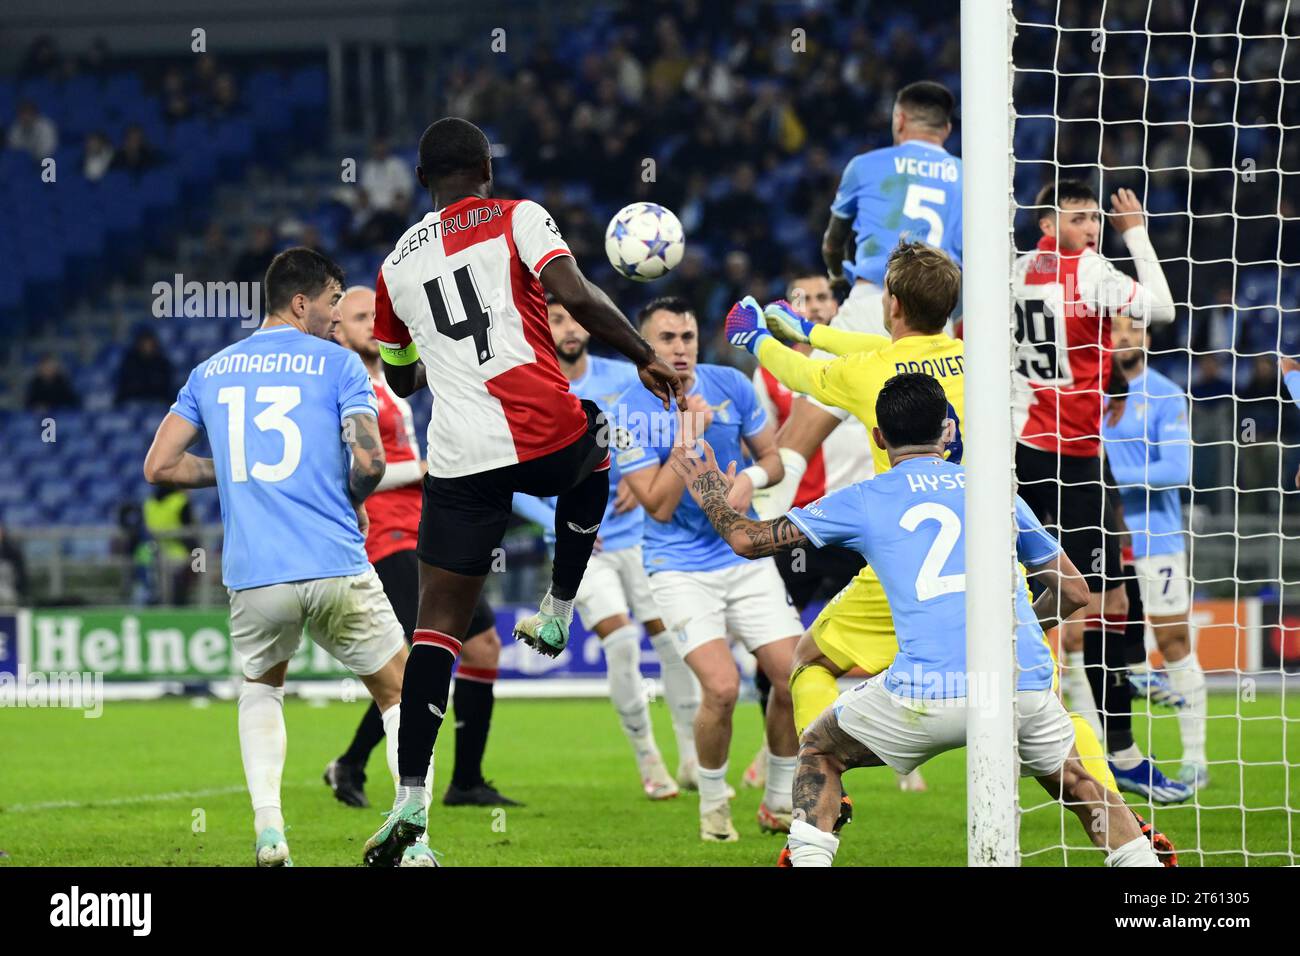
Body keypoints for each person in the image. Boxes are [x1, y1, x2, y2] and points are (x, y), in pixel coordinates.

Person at [669, 373, 1164, 868]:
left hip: (927, 692)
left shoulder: (865, 497)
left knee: (820, 749)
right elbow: (1075, 592)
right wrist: (1021, 631)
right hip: (1020, 687)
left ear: (880, 439)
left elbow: (746, 540)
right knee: (1076, 780)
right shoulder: (995, 492)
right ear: (949, 431)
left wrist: (709, 486)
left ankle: (809, 856)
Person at [362, 116, 682, 866]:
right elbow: (577, 291)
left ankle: (411, 804)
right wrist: (641, 353)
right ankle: (557, 608)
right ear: (485, 167)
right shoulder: (518, 217)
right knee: (597, 439)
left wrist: (434, 352)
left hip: (459, 457)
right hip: (539, 426)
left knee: (435, 629)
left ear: (422, 182)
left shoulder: (391, 269)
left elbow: (403, 377)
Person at [143, 247, 429, 867]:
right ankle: (416, 843)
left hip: (255, 576)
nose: (337, 316)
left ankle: (270, 833)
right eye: (332, 302)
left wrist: (238, 474)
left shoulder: (210, 370)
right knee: (399, 690)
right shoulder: (341, 365)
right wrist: (349, 495)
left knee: (262, 689)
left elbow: (159, 465)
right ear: (301, 302)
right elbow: (372, 463)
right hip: (335, 562)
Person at [726, 241, 965, 796]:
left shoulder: (870, 373)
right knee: (1039, 700)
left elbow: (802, 378)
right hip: (986, 550)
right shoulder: (968, 355)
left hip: (908, 554)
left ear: (894, 305)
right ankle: (1116, 818)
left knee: (808, 660)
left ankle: (823, 786)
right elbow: (888, 346)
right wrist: (811, 332)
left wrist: (756, 338)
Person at [1012, 179, 1186, 803]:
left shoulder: (1012, 271)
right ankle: (1120, 749)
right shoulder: (1087, 269)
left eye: (1094, 219)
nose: (1090, 228)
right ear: (1047, 221)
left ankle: (1103, 701)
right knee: (1103, 602)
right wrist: (1133, 229)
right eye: (1078, 217)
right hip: (1072, 463)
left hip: (1024, 457)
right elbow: (1161, 309)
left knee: (1087, 596)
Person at [323, 285, 520, 811]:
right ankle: (352, 762)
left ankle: (468, 781)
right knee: (417, 658)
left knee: (481, 648)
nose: (373, 323)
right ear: (336, 328)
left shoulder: (386, 383)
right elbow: (342, 474)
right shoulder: (333, 386)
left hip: (430, 525)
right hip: (384, 534)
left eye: (375, 315)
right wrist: (423, 470)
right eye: (360, 317)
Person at [617, 295, 802, 843]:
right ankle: (715, 804)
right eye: (667, 339)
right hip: (678, 568)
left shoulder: (732, 385)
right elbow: (657, 504)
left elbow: (771, 457)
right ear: (645, 345)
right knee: (721, 689)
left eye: (688, 337)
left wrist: (753, 481)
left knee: (793, 677)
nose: (680, 349)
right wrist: (687, 441)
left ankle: (777, 801)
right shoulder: (627, 410)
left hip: (742, 554)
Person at [512, 297, 700, 800]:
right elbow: (509, 481)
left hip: (639, 537)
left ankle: (690, 755)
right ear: (540, 325)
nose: (568, 327)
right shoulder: (529, 387)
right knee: (619, 642)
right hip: (582, 551)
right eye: (555, 319)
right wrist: (562, 516)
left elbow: (659, 438)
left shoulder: (625, 378)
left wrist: (639, 482)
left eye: (574, 317)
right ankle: (648, 759)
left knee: (674, 644)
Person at [743, 271, 869, 790]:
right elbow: (767, 446)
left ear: (836, 304)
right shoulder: (770, 373)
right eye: (803, 299)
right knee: (776, 646)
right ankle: (773, 749)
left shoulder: (860, 358)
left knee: (875, 642)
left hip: (852, 522)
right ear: (786, 309)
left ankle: (888, 746)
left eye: (822, 297)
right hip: (797, 523)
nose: (815, 306)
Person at [1103, 314, 1206, 789]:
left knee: (1173, 642)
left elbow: (1177, 467)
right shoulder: (1091, 394)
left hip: (1155, 538)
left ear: (1146, 337)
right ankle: (1099, 755)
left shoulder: (1164, 393)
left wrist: (1105, 480)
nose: (1123, 336)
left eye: (1133, 329)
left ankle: (1196, 758)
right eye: (1115, 329)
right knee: (1086, 645)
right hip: (1102, 538)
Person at [822, 80, 962, 336]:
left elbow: (832, 244)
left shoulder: (864, 166)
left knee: (809, 376)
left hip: (872, 304)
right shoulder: (968, 177)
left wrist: (837, 276)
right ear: (947, 129)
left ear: (899, 119)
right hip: (936, 318)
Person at [115, 329, 175, 404]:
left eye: (149, 344)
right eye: (144, 343)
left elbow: (166, 388)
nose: (147, 347)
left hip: (157, 402)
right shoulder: (130, 362)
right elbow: (125, 387)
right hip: (133, 402)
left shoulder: (162, 363)